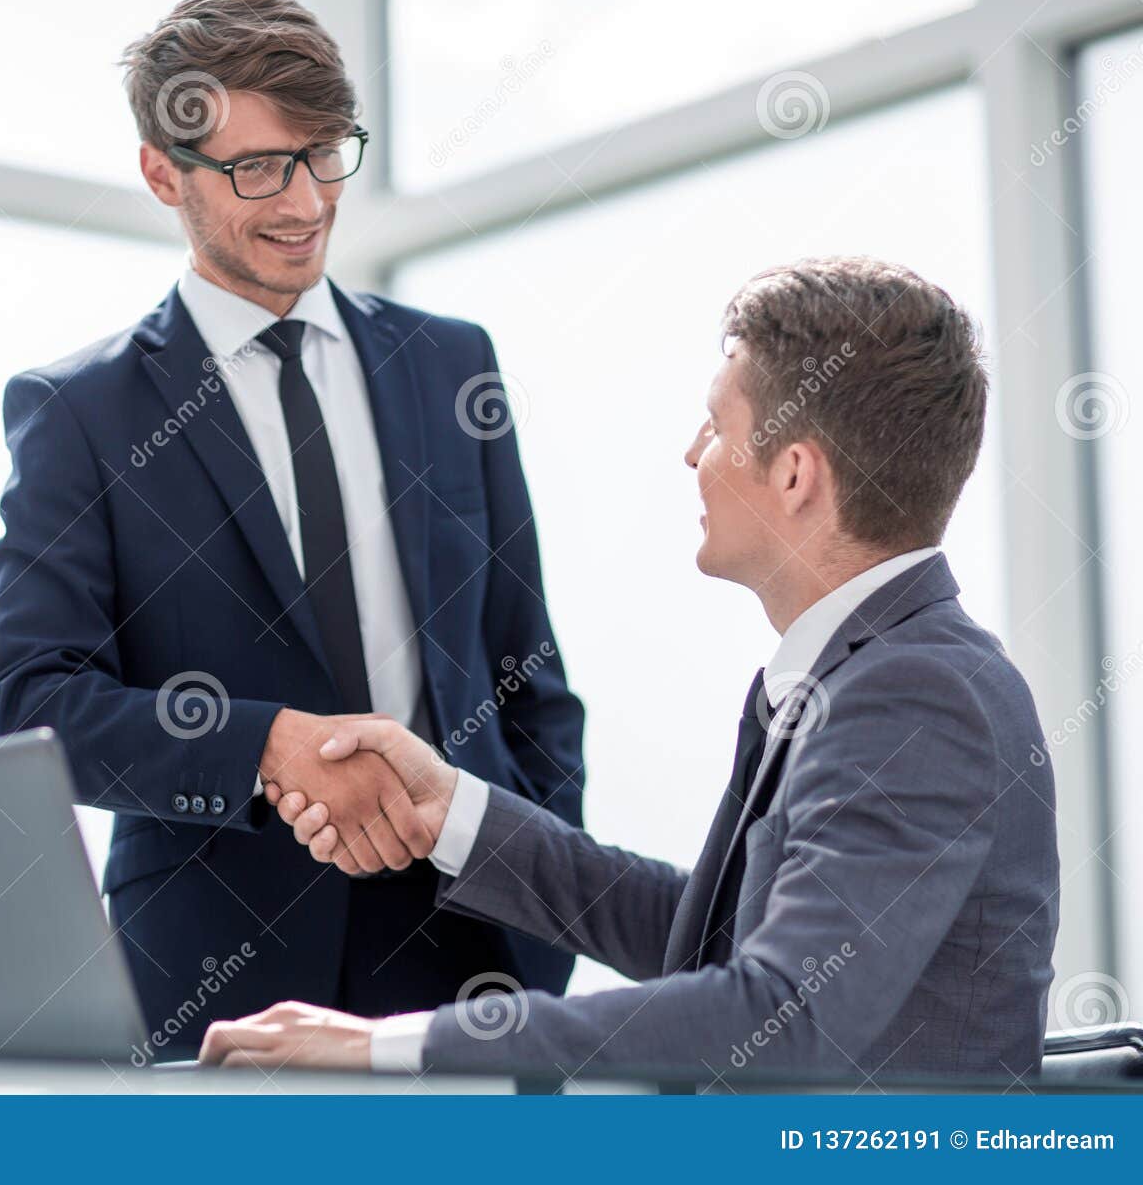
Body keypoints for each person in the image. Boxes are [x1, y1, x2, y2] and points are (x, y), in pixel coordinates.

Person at [199, 257, 1060, 1082]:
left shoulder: (916, 696)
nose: (693, 455)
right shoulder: (869, 672)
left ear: (796, 472)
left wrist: (391, 1047)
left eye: (716, 427)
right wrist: (451, 809)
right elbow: (710, 939)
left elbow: (781, 1020)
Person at [0, 0, 585, 1057]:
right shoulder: (83, 411)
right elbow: (26, 704)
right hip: (222, 974)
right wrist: (265, 744)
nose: (303, 200)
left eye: (323, 155)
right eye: (258, 167)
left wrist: (543, 908)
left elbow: (528, 678)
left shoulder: (449, 365)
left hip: (473, 955)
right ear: (164, 173)